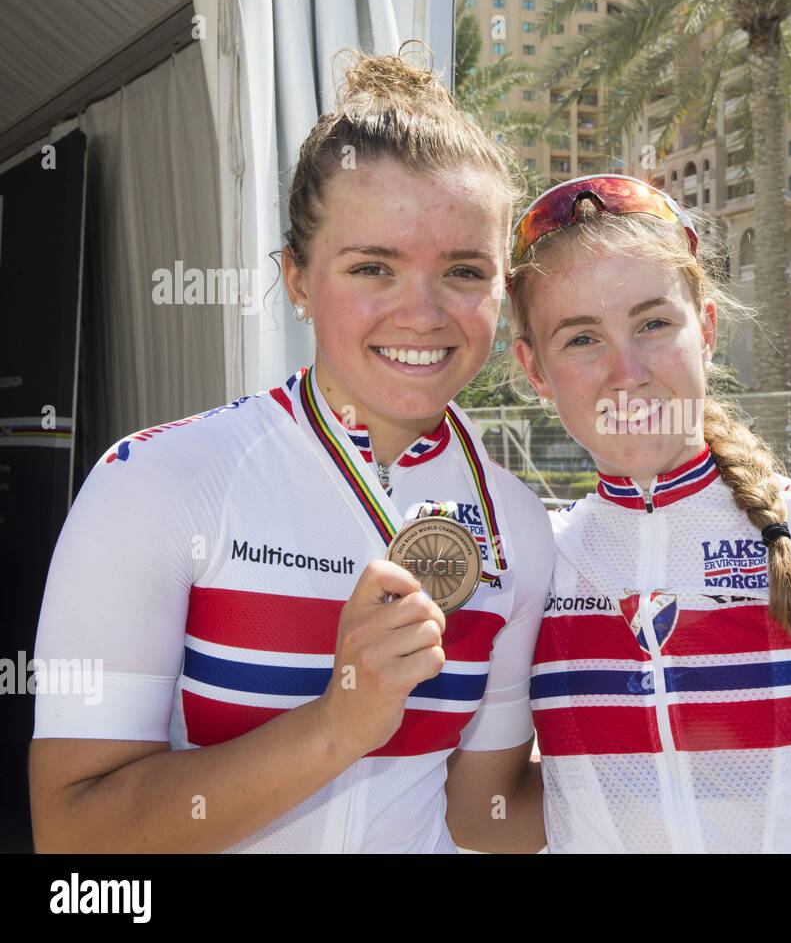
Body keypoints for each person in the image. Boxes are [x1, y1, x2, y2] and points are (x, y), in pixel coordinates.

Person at [28, 48, 551, 853]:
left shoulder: (518, 521)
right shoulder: (157, 482)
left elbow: (482, 819)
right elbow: (74, 833)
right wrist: (337, 726)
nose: (422, 313)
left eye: (464, 271)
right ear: (298, 280)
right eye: (372, 266)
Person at [508, 175, 791, 852]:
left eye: (652, 323)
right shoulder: (531, 562)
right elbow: (485, 809)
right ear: (534, 368)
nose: (627, 372)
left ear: (704, 329)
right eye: (582, 339)